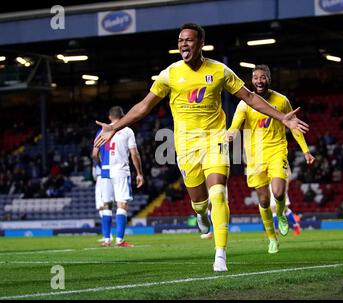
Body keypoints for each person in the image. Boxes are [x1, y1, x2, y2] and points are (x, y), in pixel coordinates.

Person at [95, 23, 309, 272]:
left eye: (189, 40)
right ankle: (200, 215)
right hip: (185, 147)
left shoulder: (219, 71)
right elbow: (144, 106)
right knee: (199, 202)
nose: (183, 44)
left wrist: (282, 117)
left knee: (218, 194)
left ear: (201, 44)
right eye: (180, 40)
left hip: (214, 141)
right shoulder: (170, 74)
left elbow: (250, 98)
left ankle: (220, 255)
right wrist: (116, 126)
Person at [226, 64, 314, 254]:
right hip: (254, 157)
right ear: (252, 80)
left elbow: (293, 126)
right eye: (256, 77)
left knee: (279, 192)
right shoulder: (244, 104)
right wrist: (230, 136)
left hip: (277, 151)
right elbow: (234, 127)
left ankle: (281, 214)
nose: (259, 80)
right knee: (264, 201)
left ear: (269, 79)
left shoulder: (282, 101)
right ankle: (272, 239)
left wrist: (306, 151)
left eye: (263, 77)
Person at [98, 106, 144, 247]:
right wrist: (139, 173)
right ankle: (119, 240)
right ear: (123, 116)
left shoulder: (103, 130)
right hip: (120, 170)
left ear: (110, 117)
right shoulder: (127, 130)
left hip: (105, 171)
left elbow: (95, 153)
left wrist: (100, 165)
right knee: (121, 204)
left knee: (106, 204)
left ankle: (106, 239)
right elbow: (134, 154)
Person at [92, 129, 114, 244]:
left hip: (102, 177)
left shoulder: (100, 157)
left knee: (103, 205)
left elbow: (95, 155)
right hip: (102, 177)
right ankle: (107, 234)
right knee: (103, 206)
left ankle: (108, 235)